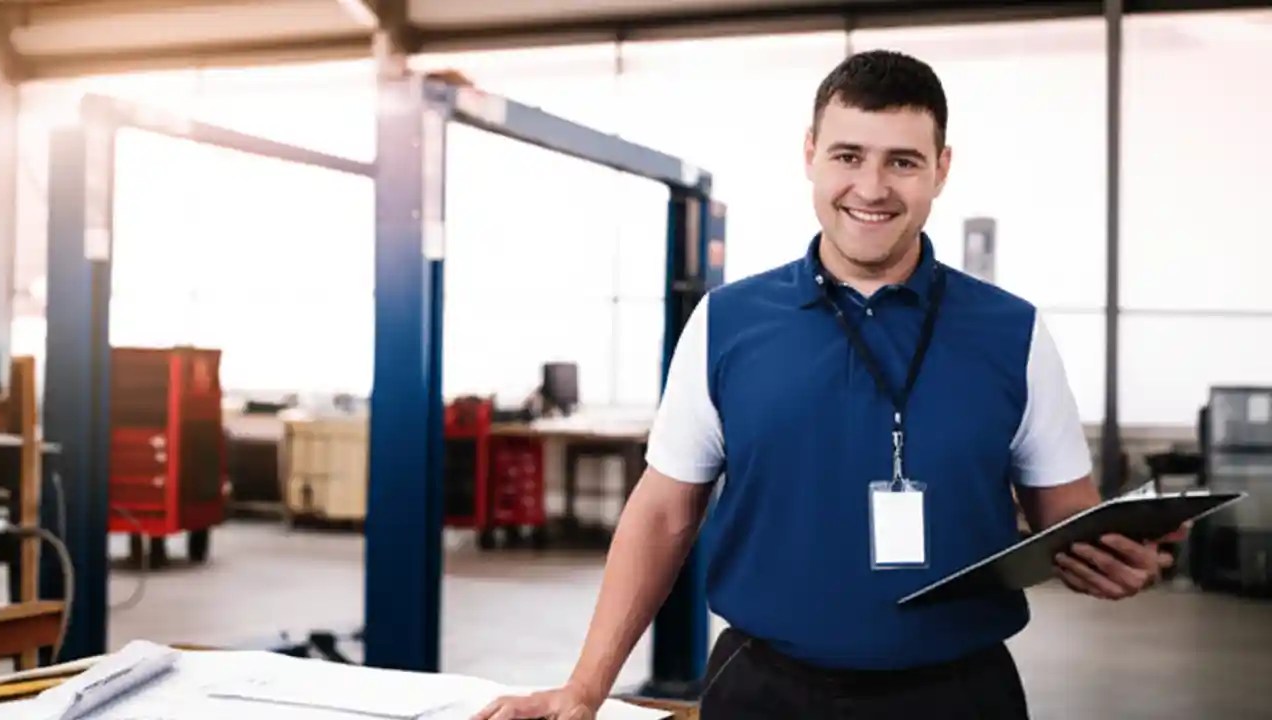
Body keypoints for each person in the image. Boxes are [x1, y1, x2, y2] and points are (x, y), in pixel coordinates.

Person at [473, 49, 1183, 720]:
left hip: (960, 692)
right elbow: (662, 511)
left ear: (941, 168)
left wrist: (1118, 550)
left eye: (902, 162)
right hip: (763, 686)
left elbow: (1066, 511)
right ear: (810, 154)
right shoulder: (727, 324)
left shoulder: (1015, 334)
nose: (871, 189)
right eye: (849, 156)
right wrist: (586, 687)